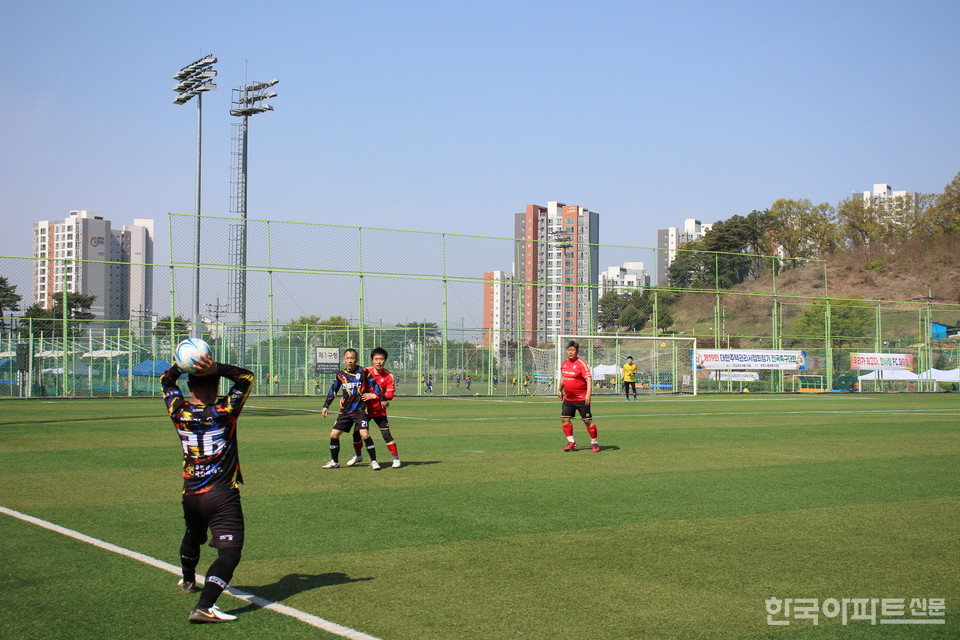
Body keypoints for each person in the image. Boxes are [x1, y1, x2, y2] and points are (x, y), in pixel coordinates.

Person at [160, 352, 255, 624]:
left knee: (194, 535)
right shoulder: (225, 410)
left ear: (190, 388)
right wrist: (216, 367)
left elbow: (166, 381)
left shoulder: (179, 411)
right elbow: (246, 377)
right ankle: (205, 606)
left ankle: (188, 580)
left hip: (190, 494)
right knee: (230, 552)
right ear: (216, 387)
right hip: (221, 494)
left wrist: (179, 367)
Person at [321, 349, 383, 470]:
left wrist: (378, 397)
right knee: (334, 434)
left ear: (357, 359)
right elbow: (333, 390)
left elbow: (375, 386)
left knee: (364, 434)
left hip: (360, 410)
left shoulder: (363, 371)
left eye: (352, 358)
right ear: (344, 360)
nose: (350, 360)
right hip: (345, 410)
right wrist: (326, 406)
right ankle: (334, 461)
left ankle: (374, 461)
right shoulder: (340, 375)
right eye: (348, 358)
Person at [346, 347, 402, 468]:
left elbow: (389, 395)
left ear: (385, 360)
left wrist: (374, 396)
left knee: (386, 434)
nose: (378, 362)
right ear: (372, 360)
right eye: (376, 359)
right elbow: (354, 386)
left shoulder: (388, 376)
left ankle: (396, 459)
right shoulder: (365, 371)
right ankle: (358, 455)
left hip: (378, 411)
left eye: (381, 359)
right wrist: (345, 397)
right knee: (356, 434)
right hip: (363, 410)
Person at [557, 340, 600, 452]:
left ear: (577, 351)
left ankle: (594, 442)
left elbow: (588, 379)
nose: (570, 352)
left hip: (581, 398)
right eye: (568, 350)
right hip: (569, 398)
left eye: (573, 350)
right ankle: (571, 442)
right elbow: (563, 378)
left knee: (587, 421)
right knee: (564, 419)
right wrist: (559, 389)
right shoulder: (564, 364)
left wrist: (588, 395)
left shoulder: (581, 364)